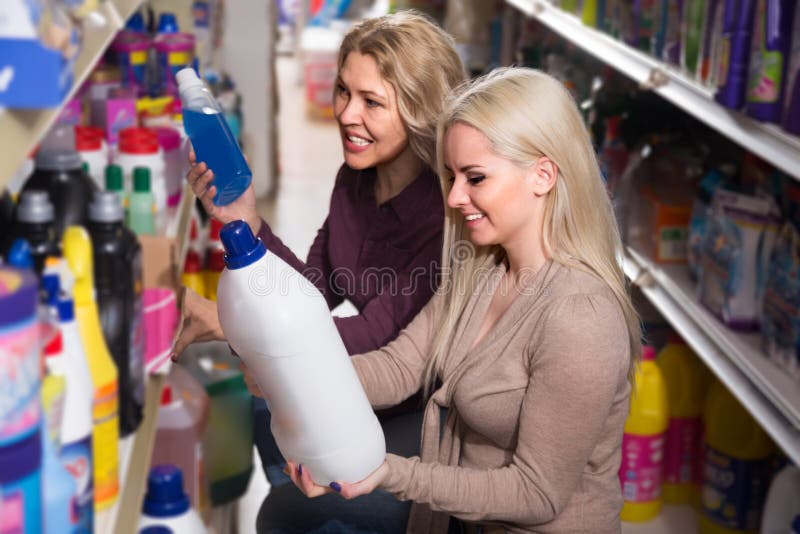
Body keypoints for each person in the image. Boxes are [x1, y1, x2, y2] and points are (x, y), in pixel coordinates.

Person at [259, 67, 642, 533]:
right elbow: (399, 367)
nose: (456, 197)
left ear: (543, 175)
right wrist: (291, 374)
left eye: (475, 178)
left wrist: (390, 474)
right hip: (455, 514)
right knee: (283, 509)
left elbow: (536, 494)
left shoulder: (581, 317)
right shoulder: (483, 267)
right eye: (451, 176)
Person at [171, 10, 466, 531]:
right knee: (263, 412)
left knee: (282, 512)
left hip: (420, 416)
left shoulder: (446, 216)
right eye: (343, 91)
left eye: (372, 102)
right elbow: (311, 290)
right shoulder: (354, 181)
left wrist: (229, 322)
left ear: (422, 113)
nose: (347, 114)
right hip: (355, 390)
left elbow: (377, 339)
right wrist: (247, 220)